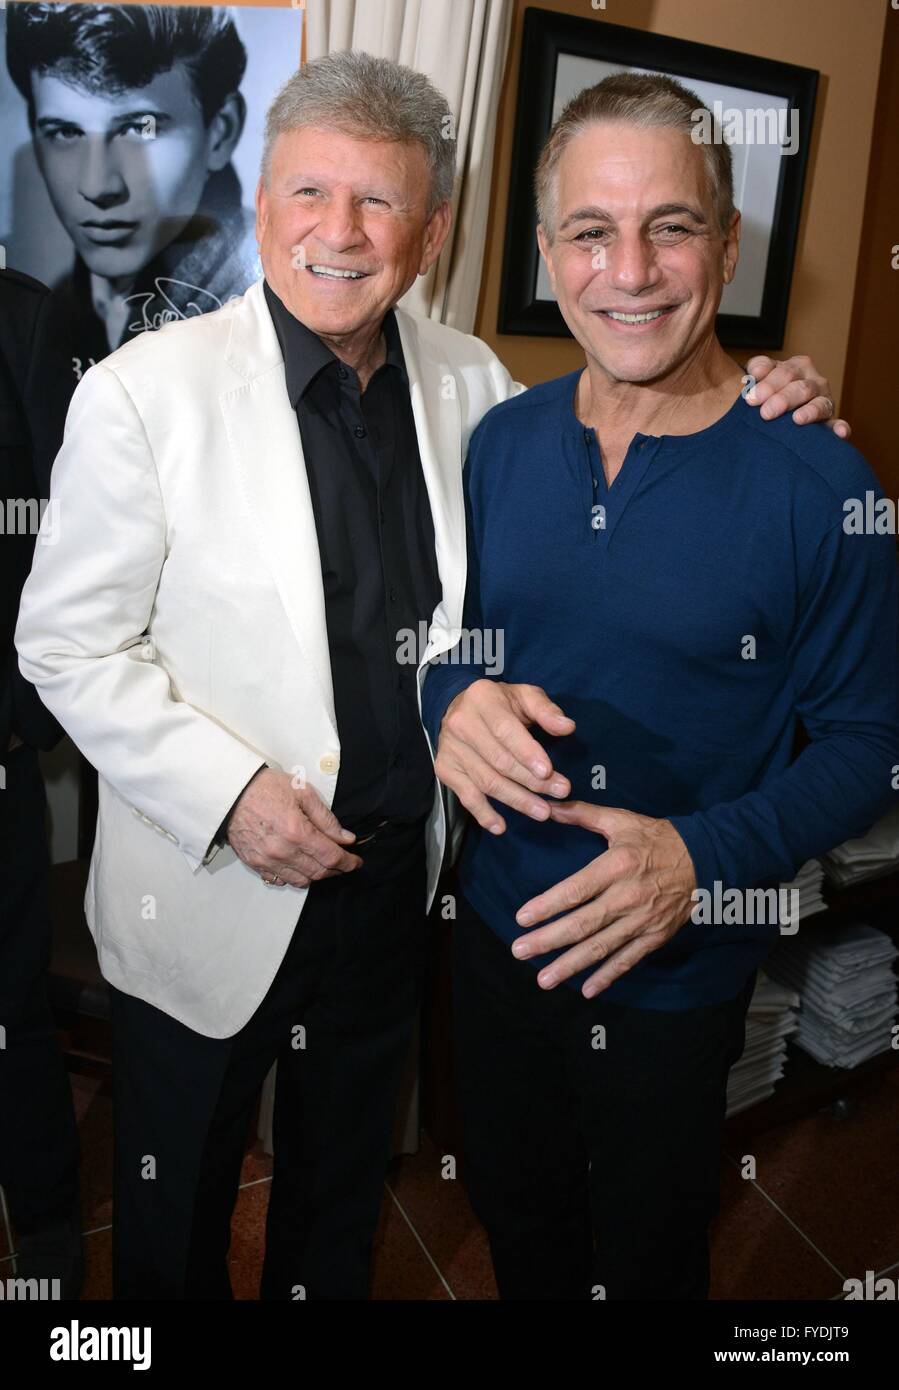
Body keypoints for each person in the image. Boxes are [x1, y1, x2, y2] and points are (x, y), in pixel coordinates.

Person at [16, 51, 843, 1302]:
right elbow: (65, 644)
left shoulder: (477, 387)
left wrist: (772, 394)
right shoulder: (145, 395)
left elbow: (618, 441)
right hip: (213, 879)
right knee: (172, 1209)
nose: (338, 235)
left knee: (337, 1198)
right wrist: (231, 791)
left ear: (434, 228)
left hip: (399, 886)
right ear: (260, 205)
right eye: (308, 195)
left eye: (378, 202)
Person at [422, 71, 899, 1301]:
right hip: (492, 943)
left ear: (727, 243)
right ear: (546, 250)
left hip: (674, 967)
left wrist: (697, 857)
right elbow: (452, 644)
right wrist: (444, 707)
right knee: (518, 1222)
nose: (627, 270)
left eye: (670, 226)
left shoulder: (822, 491)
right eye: (590, 229)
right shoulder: (499, 442)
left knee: (645, 1252)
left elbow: (867, 742)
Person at [6, 3, 257, 365]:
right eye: (65, 132)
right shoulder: (46, 309)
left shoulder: (268, 308)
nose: (97, 187)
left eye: (139, 128)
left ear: (221, 132)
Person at [0, 266, 81, 1296]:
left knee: (11, 1014)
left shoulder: (23, 316)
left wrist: (18, 723)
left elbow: (68, 529)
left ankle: (50, 1244)